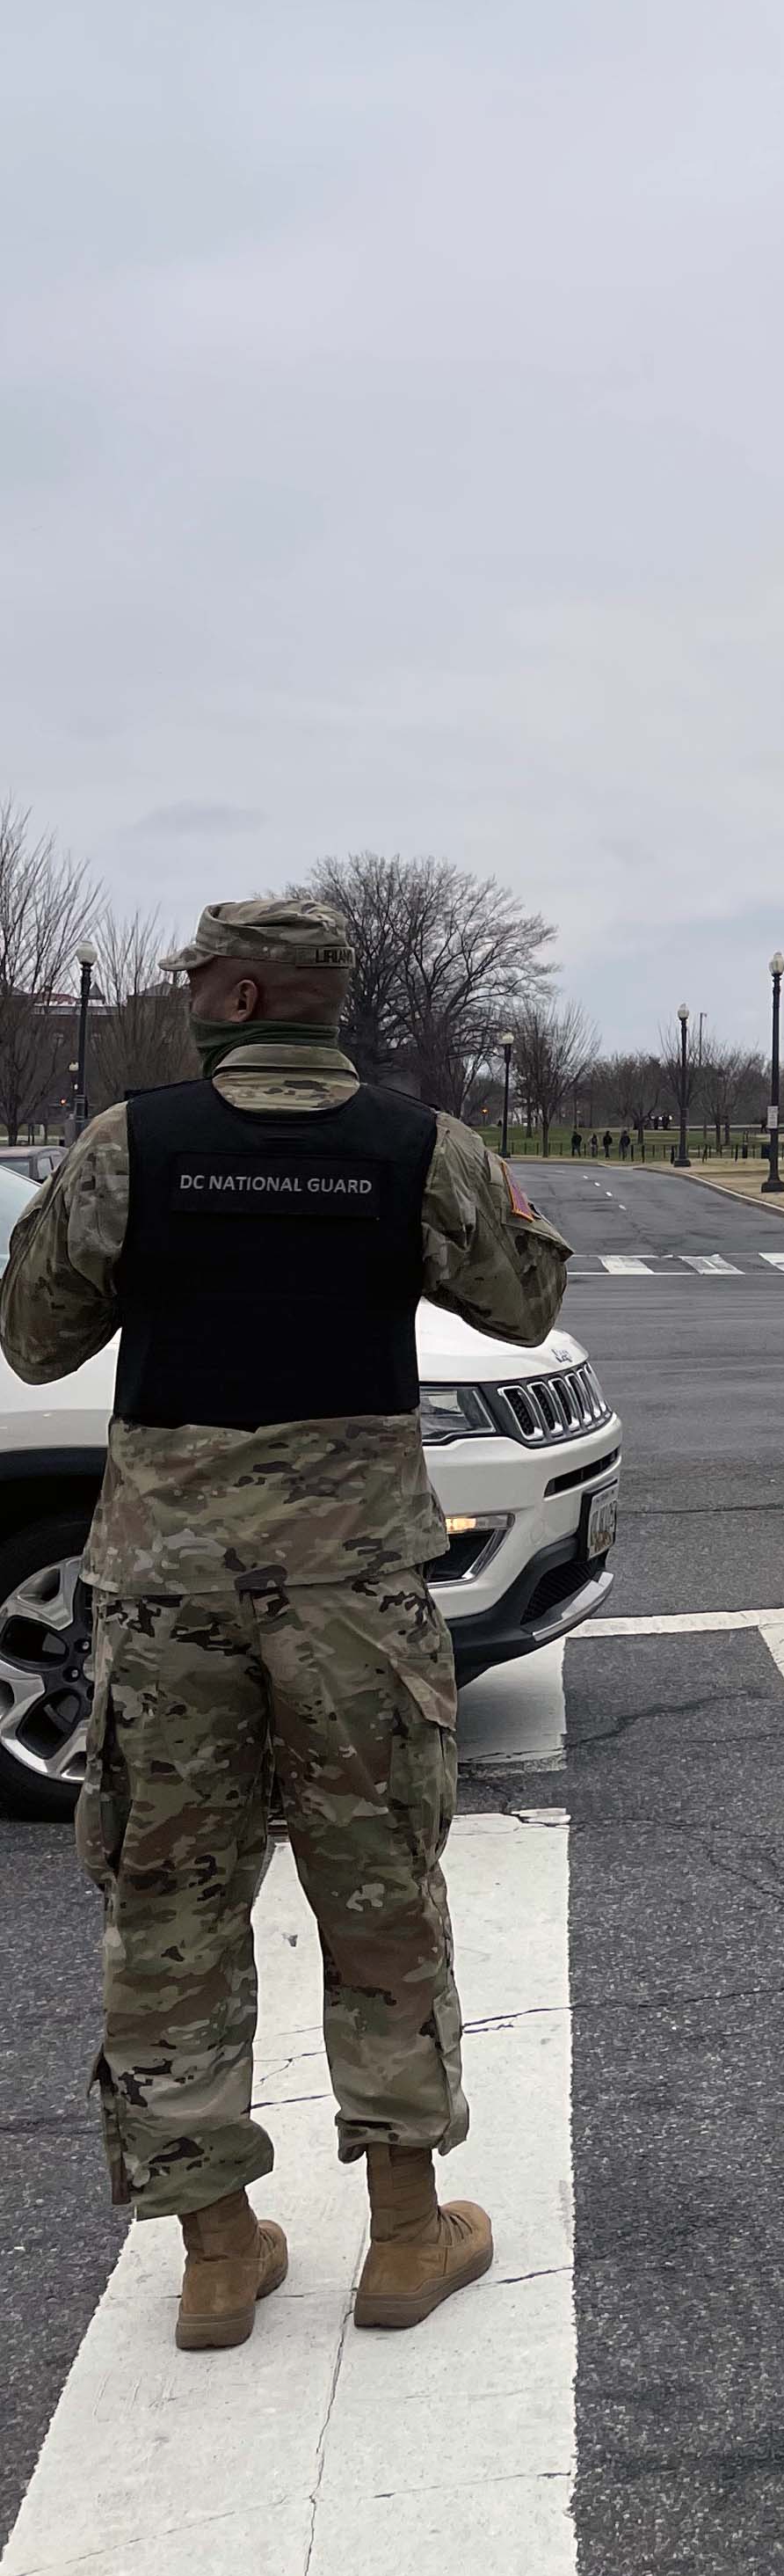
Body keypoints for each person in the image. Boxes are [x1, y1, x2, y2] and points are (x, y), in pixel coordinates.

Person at [0, 898, 570, 2354]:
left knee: (169, 1900)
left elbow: (35, 1337)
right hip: (352, 1587)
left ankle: (214, 2249)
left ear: (246, 989)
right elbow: (523, 1298)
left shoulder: (134, 1142)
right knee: (379, 1888)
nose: (189, 990)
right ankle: (401, 2227)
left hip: (167, 1582)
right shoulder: (412, 1143)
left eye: (200, 974)